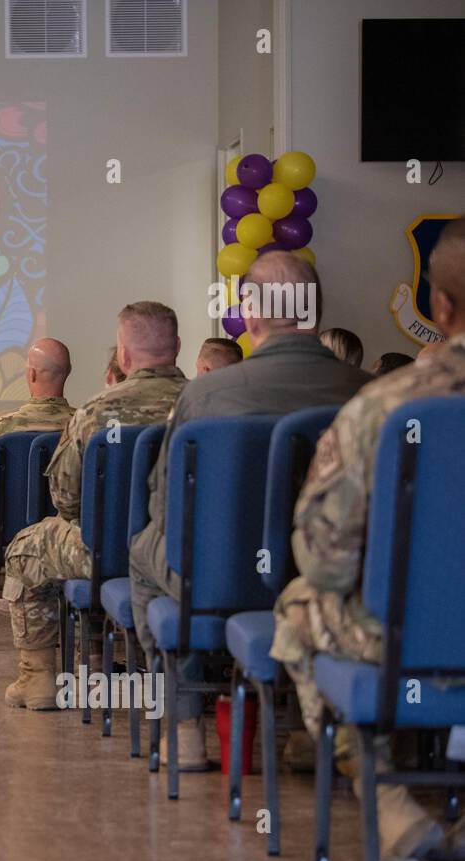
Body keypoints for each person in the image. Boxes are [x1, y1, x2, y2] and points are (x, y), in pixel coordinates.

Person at [128, 252, 372, 769]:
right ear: (315, 312)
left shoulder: (207, 394)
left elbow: (164, 505)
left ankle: (184, 724)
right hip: (334, 581)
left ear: (251, 314)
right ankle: (314, 728)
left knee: (144, 550)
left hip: (223, 580)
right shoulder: (367, 394)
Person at [272, 217, 465, 861]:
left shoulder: (385, 407)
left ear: (438, 306)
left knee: (298, 607)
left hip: (406, 640)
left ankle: (388, 800)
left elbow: (325, 560)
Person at [1, 302, 188, 708]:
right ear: (176, 345)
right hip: (193, 553)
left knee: (23, 548)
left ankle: (40, 680)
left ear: (123, 354)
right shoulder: (207, 402)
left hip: (108, 553)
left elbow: (65, 499)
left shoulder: (97, 412)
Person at [0, 339, 75, 543]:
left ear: (31, 373)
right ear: (68, 372)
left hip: (9, 536)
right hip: (69, 537)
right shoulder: (85, 425)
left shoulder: (0, 425)